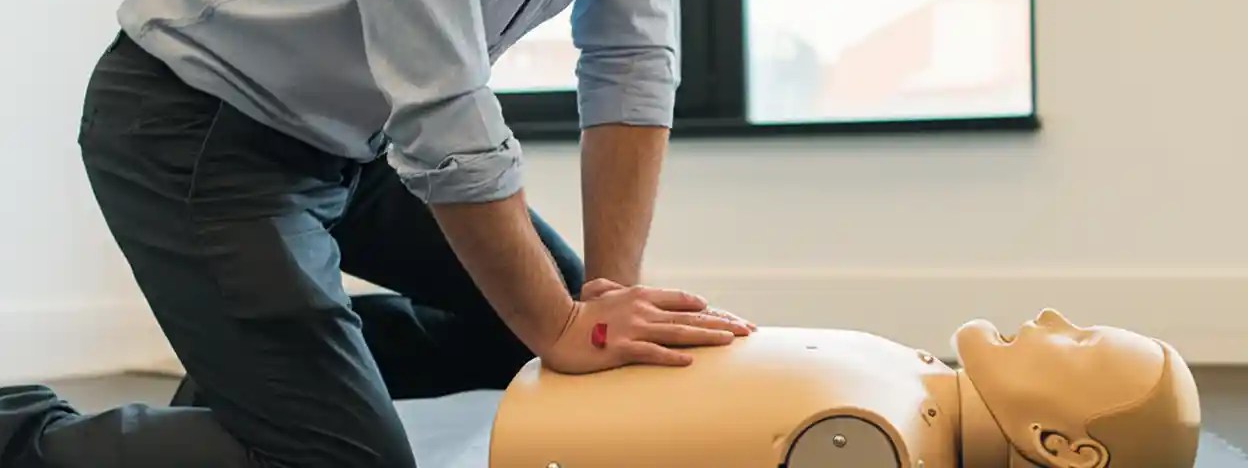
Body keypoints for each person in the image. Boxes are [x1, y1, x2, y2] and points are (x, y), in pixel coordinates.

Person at [0, 0, 759, 466]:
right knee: (348, 462)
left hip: (363, 138)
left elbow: (630, 64)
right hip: (199, 123)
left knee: (532, 335)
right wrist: (561, 324)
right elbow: (443, 104)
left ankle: (265, 382)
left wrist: (601, 304)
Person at [489, 307, 1203, 468]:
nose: (1053, 318)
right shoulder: (911, 387)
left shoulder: (881, 439)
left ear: (1059, 446)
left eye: (1081, 343)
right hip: (560, 379)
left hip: (541, 422)